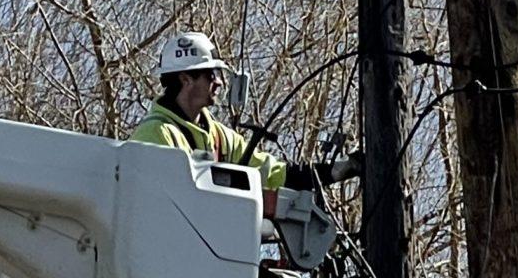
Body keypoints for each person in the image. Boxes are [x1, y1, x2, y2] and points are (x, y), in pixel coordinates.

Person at [131, 28, 361, 190]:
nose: (219, 82)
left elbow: (270, 174)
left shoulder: (220, 137)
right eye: (211, 74)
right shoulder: (155, 135)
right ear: (185, 79)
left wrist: (333, 172)